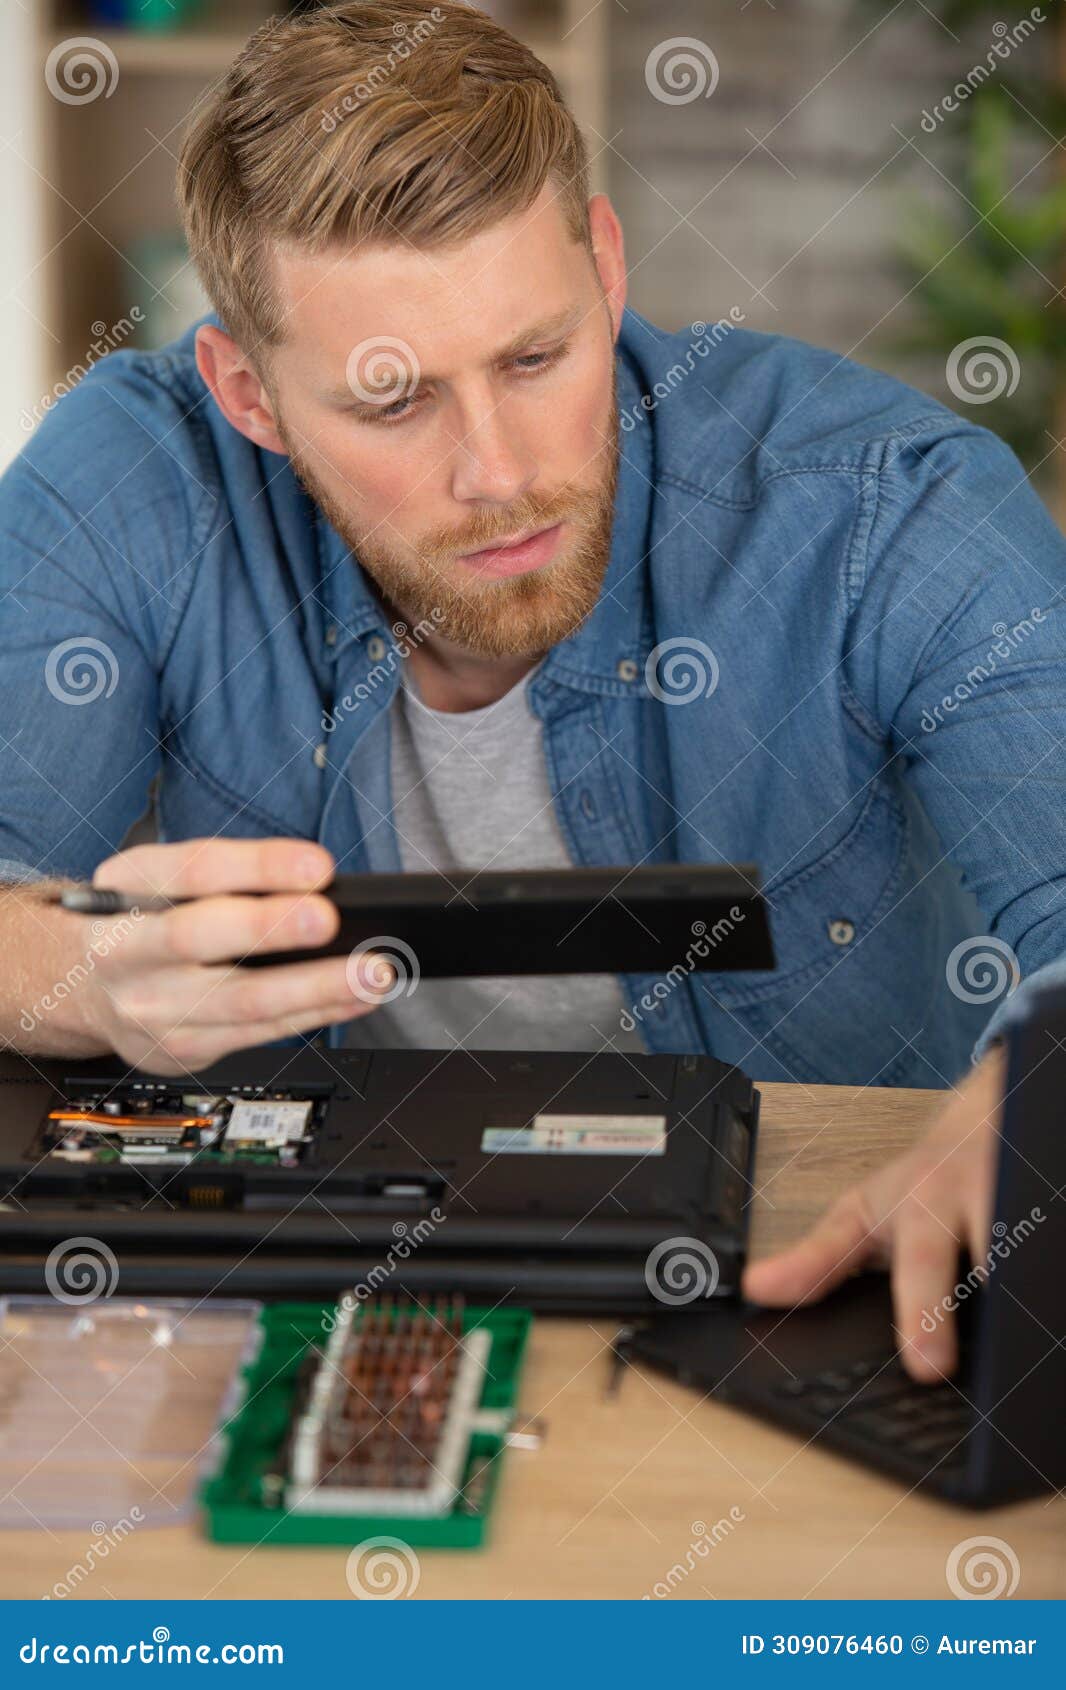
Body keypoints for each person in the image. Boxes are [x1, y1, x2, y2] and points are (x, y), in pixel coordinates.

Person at [0, 2, 1061, 1379]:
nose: (496, 473)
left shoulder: (882, 508)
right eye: (392, 402)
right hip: (318, 1320)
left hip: (813, 1302)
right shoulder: (132, 481)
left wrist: (1042, 1093)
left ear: (605, 268)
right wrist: (83, 978)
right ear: (248, 394)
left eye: (532, 358)